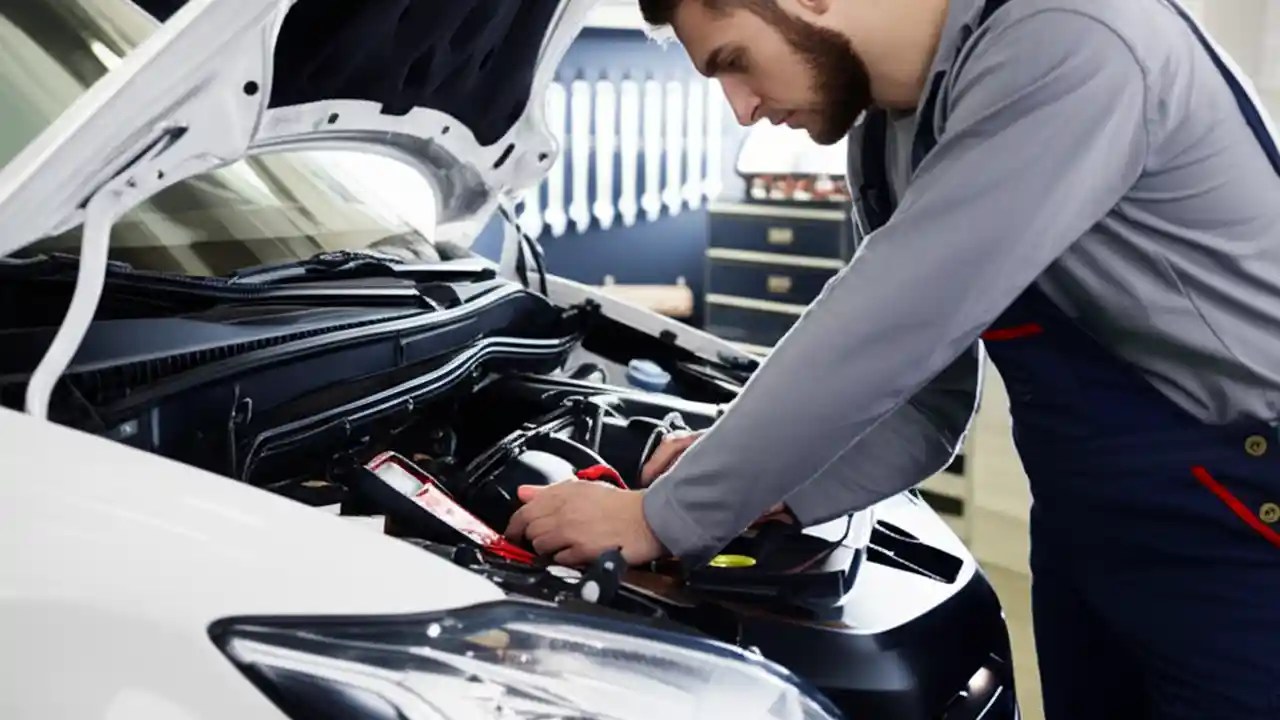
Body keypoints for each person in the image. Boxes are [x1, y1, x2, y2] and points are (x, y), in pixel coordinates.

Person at [504, 0, 1280, 716]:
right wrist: (775, 488)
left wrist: (661, 517)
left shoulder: (1071, 41)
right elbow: (921, 400)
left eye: (733, 61)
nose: (741, 108)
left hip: (1241, 512)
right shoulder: (890, 136)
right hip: (1090, 510)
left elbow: (889, 325)